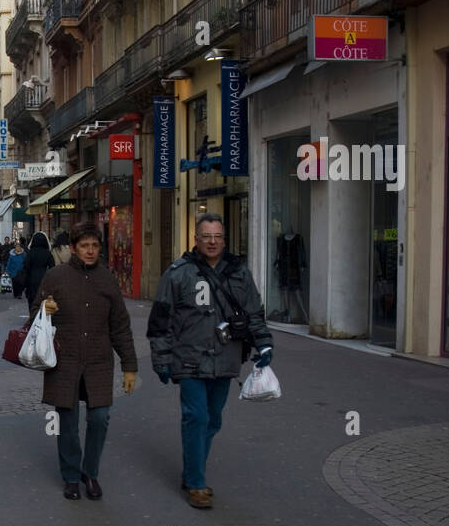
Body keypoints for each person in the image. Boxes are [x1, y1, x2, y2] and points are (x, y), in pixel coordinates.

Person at [147, 212, 274, 509]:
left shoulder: (238, 272)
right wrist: (161, 359)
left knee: (213, 419)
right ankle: (196, 483)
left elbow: (254, 313)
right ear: (196, 239)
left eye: (218, 237)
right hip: (189, 358)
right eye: (207, 236)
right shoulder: (178, 273)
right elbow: (160, 321)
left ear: (224, 239)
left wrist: (265, 345)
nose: (213, 242)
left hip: (227, 358)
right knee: (196, 416)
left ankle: (192, 472)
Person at [33, 224, 137, 500]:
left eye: (94, 246)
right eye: (84, 246)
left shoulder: (107, 279)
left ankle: (90, 472)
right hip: (64, 360)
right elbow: (34, 312)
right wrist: (45, 309)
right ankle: (70, 476)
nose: (90, 251)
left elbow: (120, 325)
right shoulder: (55, 276)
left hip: (99, 361)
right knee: (67, 421)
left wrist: (129, 365)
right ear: (73, 248)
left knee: (100, 418)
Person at [24, 231, 55, 316]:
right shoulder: (47, 253)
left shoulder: (30, 252)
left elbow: (26, 266)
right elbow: (52, 265)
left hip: (31, 277)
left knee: (32, 298)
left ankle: (32, 315)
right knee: (43, 298)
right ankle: (42, 315)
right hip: (44, 276)